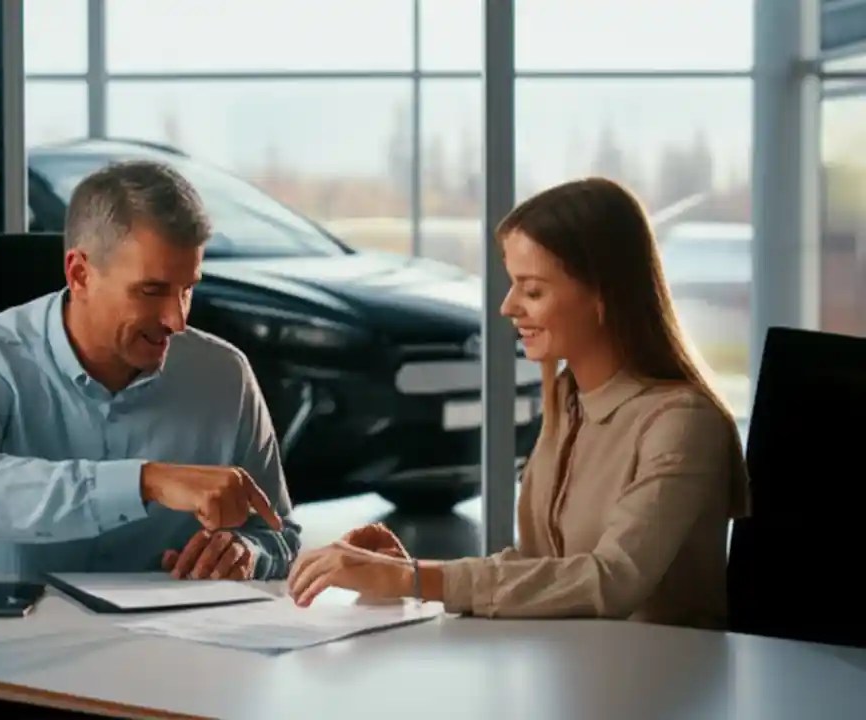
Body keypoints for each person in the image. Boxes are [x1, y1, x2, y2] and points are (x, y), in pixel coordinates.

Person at [287, 177, 750, 630]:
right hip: (575, 675)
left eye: (532, 290)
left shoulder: (683, 423)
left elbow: (611, 581)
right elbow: (543, 569)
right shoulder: (567, 399)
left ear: (603, 297)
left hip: (665, 688)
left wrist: (417, 579)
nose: (508, 306)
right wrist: (404, 573)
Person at [0, 159, 301, 582]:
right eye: (152, 291)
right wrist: (144, 481)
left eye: (187, 289)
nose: (177, 320)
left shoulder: (225, 375)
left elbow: (279, 535)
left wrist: (246, 552)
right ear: (80, 274)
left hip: (165, 639)